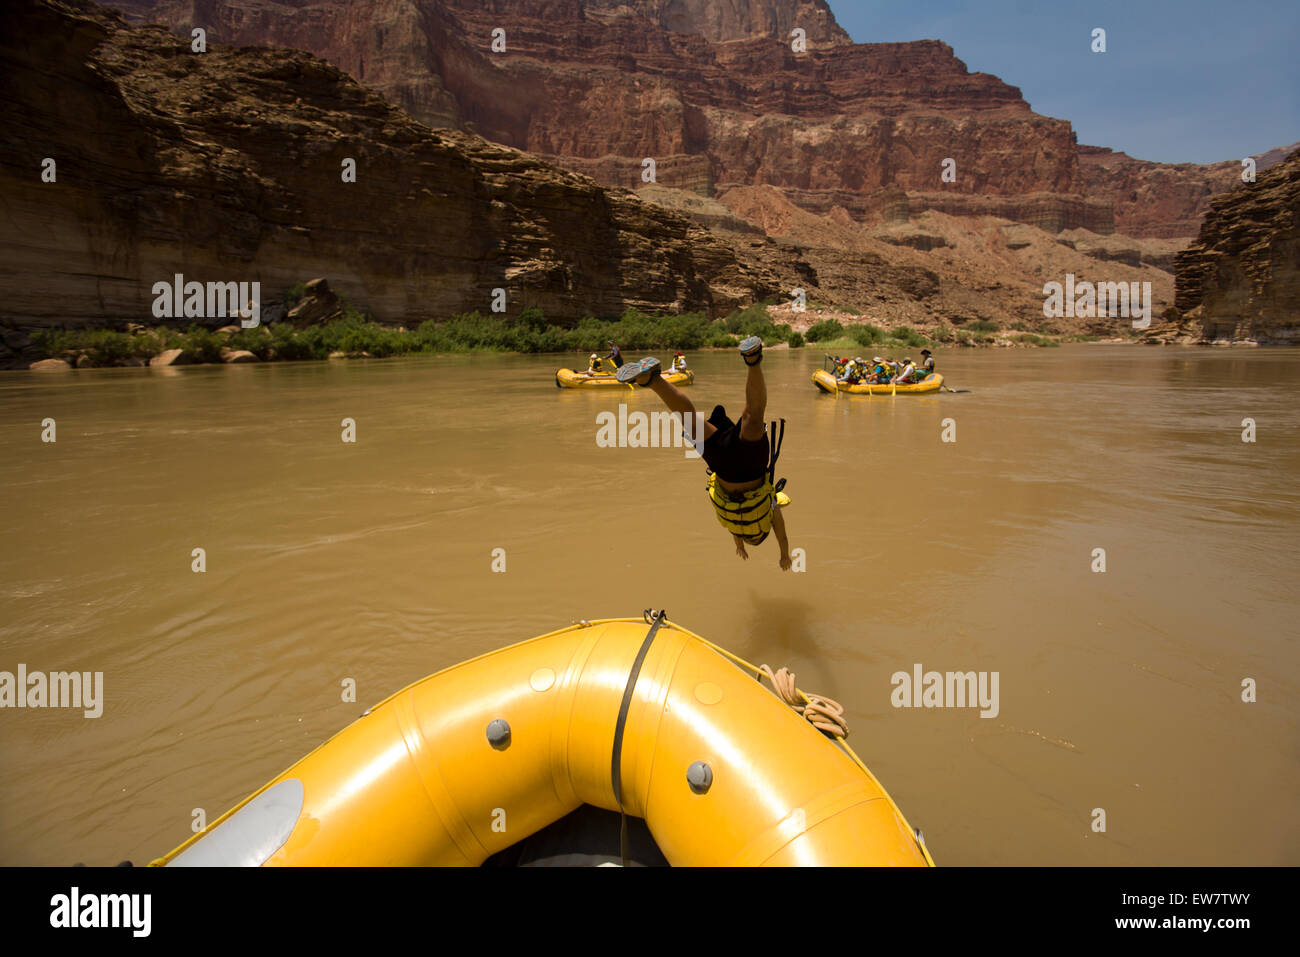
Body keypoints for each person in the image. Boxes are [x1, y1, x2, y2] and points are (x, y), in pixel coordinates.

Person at [617, 337, 792, 570]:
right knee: (692, 420)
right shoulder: (743, 524)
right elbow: (773, 535)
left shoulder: (752, 521)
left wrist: (780, 554)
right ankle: (651, 379)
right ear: (755, 534)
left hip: (742, 466)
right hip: (728, 466)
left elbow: (777, 535)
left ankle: (752, 360)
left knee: (752, 416)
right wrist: (776, 553)